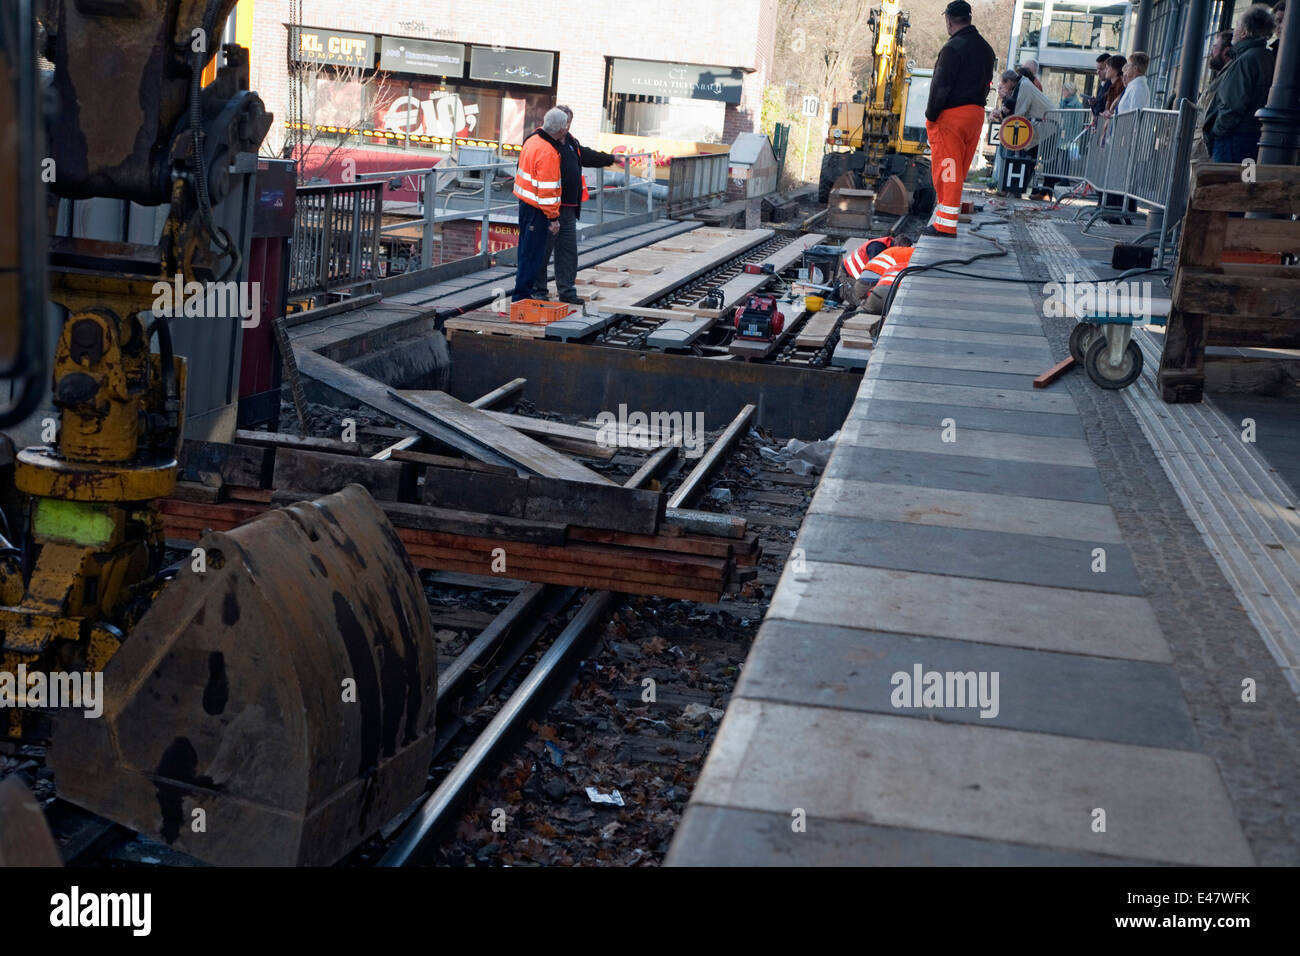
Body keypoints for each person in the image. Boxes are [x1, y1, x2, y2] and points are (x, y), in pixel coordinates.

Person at [923, 0, 997, 237]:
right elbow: (987, 85)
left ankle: (944, 225)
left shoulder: (953, 48)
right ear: (969, 18)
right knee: (958, 171)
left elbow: (941, 85)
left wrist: (931, 116)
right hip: (975, 115)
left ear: (949, 20)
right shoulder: (986, 49)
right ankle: (947, 220)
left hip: (952, 116)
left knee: (947, 170)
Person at [529, 105, 617, 303]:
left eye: (569, 123)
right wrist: (549, 213)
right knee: (542, 252)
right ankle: (538, 292)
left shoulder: (570, 141)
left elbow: (586, 155)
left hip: (568, 209)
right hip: (547, 208)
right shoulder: (544, 144)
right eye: (564, 124)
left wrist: (610, 158)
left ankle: (567, 292)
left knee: (568, 253)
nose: (567, 128)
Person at [1206, 4, 1276, 163]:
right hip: (1249, 138)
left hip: (1234, 139)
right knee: (1246, 182)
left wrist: (1217, 132)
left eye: (1237, 25)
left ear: (1244, 32)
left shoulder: (1245, 60)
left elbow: (1232, 106)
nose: (1233, 32)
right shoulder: (1266, 57)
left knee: (1224, 184)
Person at [511, 108, 566, 303]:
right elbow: (547, 190)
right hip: (538, 210)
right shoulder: (548, 152)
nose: (566, 131)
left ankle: (521, 294)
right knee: (532, 254)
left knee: (525, 252)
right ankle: (522, 297)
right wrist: (553, 218)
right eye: (565, 128)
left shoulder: (532, 140)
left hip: (526, 205)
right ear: (560, 130)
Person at [1192, 32, 1233, 163]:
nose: (1211, 52)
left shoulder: (1226, 77)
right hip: (1203, 144)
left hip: (1205, 147)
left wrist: (1210, 137)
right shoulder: (1223, 76)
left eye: (1215, 47)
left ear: (1226, 52)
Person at [842, 236, 912, 305]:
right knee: (856, 301)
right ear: (897, 245)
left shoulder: (887, 246)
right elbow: (874, 269)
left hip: (859, 274)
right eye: (902, 249)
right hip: (849, 271)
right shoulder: (877, 248)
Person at [861, 243, 916, 317]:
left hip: (873, 289)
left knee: (864, 310)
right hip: (892, 293)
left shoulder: (895, 265)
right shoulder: (915, 267)